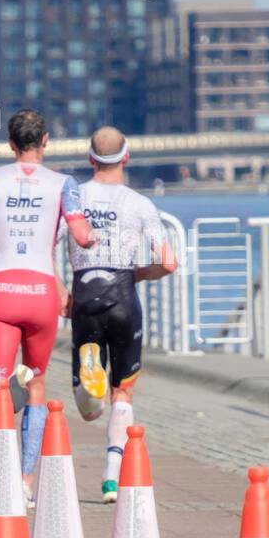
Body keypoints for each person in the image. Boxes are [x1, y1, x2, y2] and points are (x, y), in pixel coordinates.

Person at [0, 109, 95, 505]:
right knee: (38, 384)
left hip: (2, 287)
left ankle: (4, 390)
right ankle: (24, 481)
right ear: (46, 140)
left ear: (10, 144)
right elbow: (80, 232)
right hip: (42, 293)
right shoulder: (63, 184)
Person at [67, 127, 176, 503]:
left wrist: (64, 290)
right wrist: (141, 273)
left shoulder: (73, 197)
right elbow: (169, 262)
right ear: (126, 157)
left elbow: (52, 246)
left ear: (90, 159)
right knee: (123, 390)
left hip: (84, 291)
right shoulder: (140, 203)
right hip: (123, 293)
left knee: (88, 409)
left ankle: (90, 371)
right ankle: (112, 477)